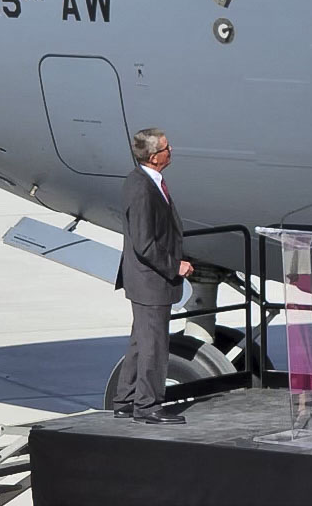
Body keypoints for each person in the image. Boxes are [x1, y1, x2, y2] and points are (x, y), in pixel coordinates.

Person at [112, 128, 193, 425]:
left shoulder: (147, 181)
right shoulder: (141, 187)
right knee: (154, 345)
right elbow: (145, 243)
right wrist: (176, 266)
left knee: (140, 341)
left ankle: (126, 399)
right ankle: (147, 406)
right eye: (168, 147)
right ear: (155, 156)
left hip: (146, 279)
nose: (172, 150)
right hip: (150, 280)